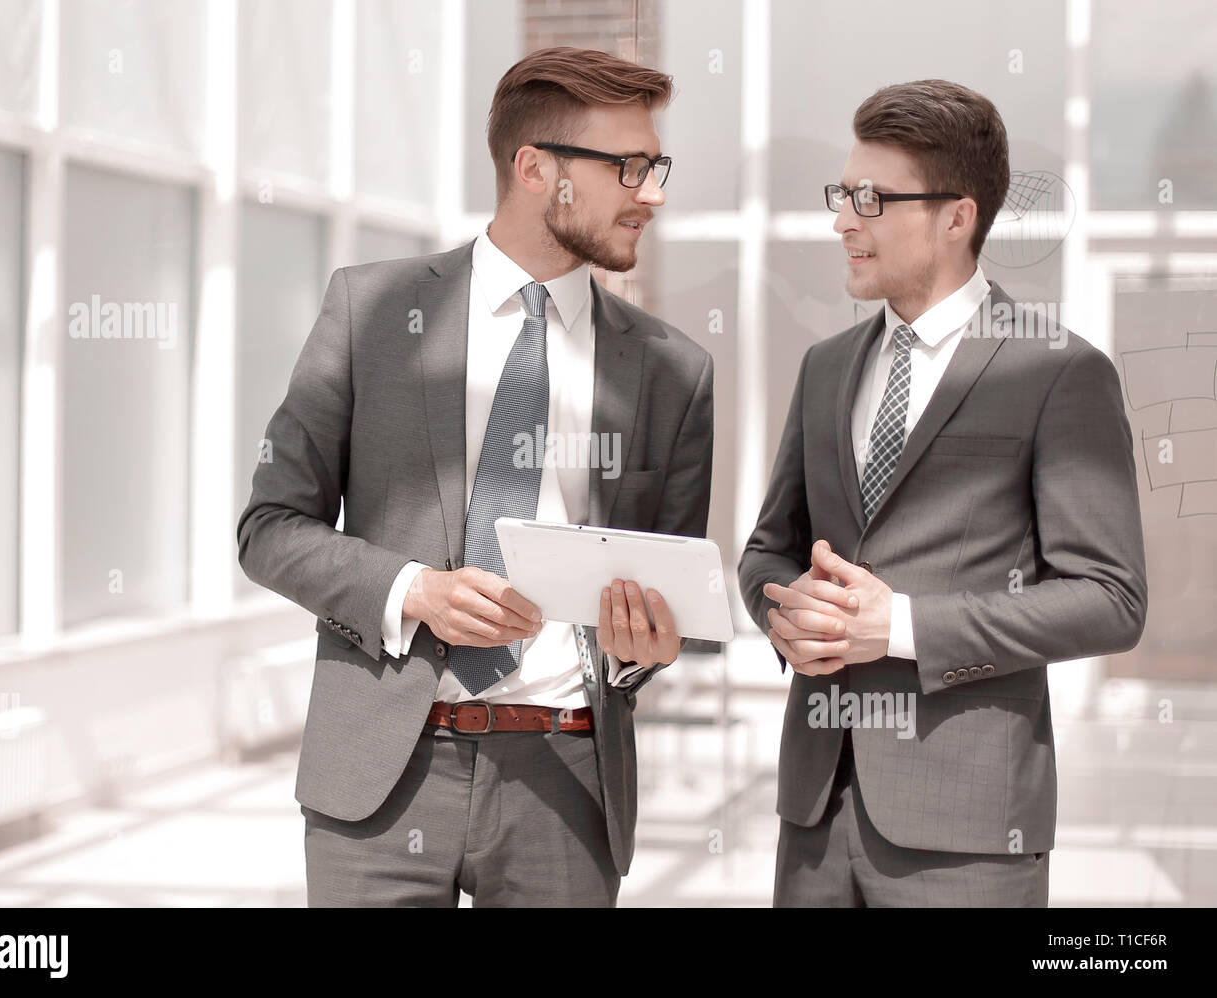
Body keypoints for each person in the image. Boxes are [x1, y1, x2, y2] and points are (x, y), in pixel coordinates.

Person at [237, 46, 713, 907]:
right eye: (629, 168)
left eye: (657, 167)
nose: (653, 194)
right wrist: (411, 588)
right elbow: (269, 527)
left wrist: (648, 652)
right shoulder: (369, 312)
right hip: (380, 773)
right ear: (535, 169)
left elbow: (662, 594)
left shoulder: (674, 370)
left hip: (566, 782)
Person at [738, 79, 1146, 907]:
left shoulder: (1059, 372)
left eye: (870, 198)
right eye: (841, 195)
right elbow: (768, 549)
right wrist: (786, 612)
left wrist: (905, 626)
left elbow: (1110, 599)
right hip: (815, 819)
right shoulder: (825, 369)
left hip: (969, 834)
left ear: (957, 217)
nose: (843, 220)